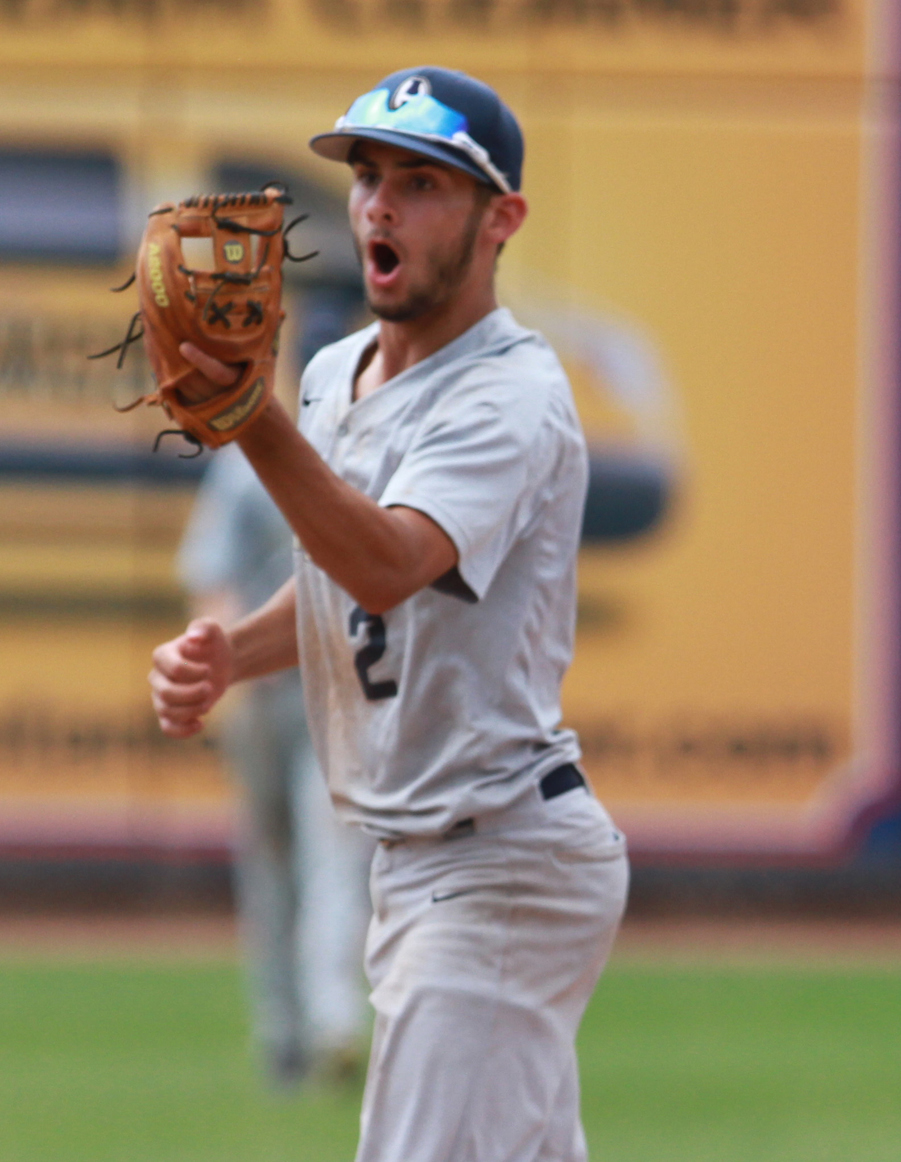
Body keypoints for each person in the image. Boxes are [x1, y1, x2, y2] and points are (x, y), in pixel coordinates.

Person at [146, 65, 628, 1161]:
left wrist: (248, 423)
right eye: (369, 177)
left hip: (497, 859)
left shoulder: (509, 394)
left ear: (501, 219)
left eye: (422, 183)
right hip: (425, 855)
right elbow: (337, 589)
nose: (380, 205)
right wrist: (235, 651)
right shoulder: (333, 373)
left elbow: (389, 565)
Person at [178, 445, 372, 1090]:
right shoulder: (254, 464)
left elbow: (214, 580)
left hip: (329, 692)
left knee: (325, 856)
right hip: (267, 685)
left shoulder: (335, 453)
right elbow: (215, 581)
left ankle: (326, 1023)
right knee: (284, 865)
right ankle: (294, 1032)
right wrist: (223, 672)